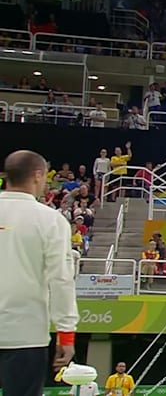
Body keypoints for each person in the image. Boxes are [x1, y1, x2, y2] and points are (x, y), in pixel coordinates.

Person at [0, 150, 79, 396]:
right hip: (24, 336)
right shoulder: (50, 220)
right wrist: (66, 334)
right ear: (37, 175)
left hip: (25, 334)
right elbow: (61, 280)